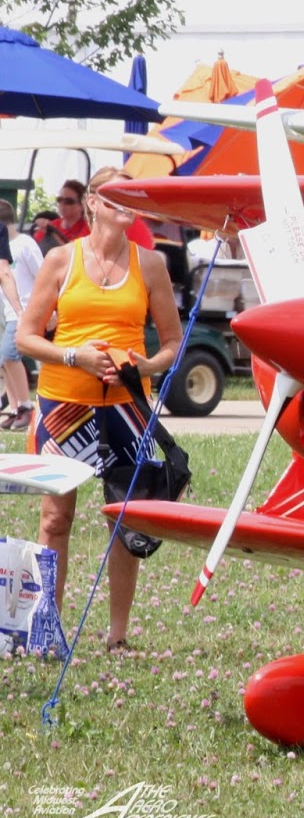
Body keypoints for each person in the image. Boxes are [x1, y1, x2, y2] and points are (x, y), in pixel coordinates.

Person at [16, 167, 182, 650]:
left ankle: (117, 636)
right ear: (92, 202)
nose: (124, 201)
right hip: (64, 406)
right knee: (54, 520)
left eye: (132, 192)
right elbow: (27, 337)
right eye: (114, 194)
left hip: (127, 409)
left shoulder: (150, 264)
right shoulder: (61, 259)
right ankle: (48, 630)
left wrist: (144, 365)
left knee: (125, 520)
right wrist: (76, 356)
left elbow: (172, 342)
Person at [0, 201, 41, 431]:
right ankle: (16, 409)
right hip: (7, 311)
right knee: (5, 361)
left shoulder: (25, 244)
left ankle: (26, 407)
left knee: (9, 355)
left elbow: (42, 273)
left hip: (26, 309)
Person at [37, 180, 90, 251]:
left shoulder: (88, 227)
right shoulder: (52, 225)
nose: (62, 204)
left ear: (82, 205)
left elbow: (74, 253)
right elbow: (34, 247)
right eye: (59, 200)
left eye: (69, 201)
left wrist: (53, 234)